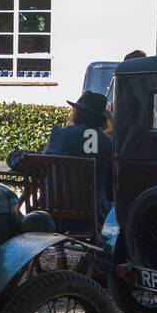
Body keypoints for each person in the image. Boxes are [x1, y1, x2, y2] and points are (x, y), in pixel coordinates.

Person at [43, 90, 114, 225]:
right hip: (92, 219)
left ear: (77, 113)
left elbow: (43, 168)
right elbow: (111, 191)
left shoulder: (58, 134)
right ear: (102, 119)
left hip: (53, 216)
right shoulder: (109, 144)